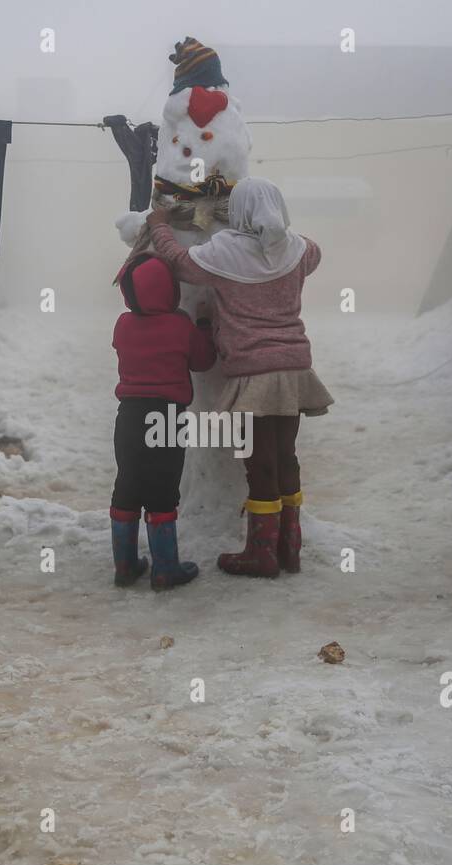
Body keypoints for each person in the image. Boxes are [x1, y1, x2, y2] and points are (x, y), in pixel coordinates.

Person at [146, 177, 333, 578]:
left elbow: (179, 262)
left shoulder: (226, 254)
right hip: (294, 369)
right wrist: (278, 234)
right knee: (286, 457)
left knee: (259, 461)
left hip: (254, 372)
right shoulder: (298, 249)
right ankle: (290, 546)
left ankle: (261, 553)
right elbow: (313, 252)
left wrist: (160, 224)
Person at [111, 253, 217, 590]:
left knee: (126, 485)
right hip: (166, 418)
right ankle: (165, 569)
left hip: (128, 416)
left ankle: (125, 566)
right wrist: (202, 326)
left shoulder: (123, 325)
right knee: (161, 491)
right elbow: (203, 361)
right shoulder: (179, 325)